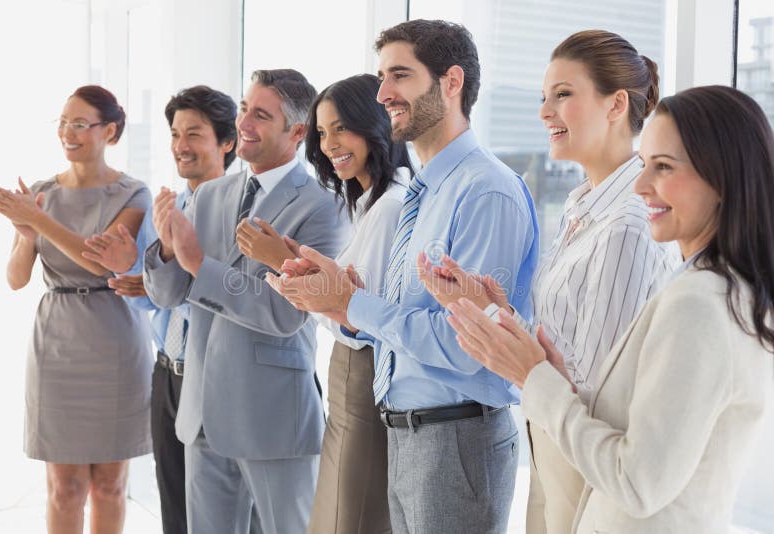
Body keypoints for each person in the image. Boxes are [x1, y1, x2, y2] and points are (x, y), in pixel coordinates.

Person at [446, 85, 774, 533]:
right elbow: (646, 429)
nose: (641, 186)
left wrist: (534, 378)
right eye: (644, 165)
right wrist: (553, 378)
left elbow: (637, 482)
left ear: (723, 177)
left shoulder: (699, 303)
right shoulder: (724, 290)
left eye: (663, 167)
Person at [268, 20, 539, 533]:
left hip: (455, 438)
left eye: (400, 76)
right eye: (381, 77)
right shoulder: (425, 193)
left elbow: (467, 346)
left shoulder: (485, 191)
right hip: (408, 435)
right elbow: (404, 323)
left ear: (451, 82)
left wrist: (350, 303)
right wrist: (333, 297)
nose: (383, 93)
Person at [416, 30, 678, 534]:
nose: (543, 112)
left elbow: (596, 389)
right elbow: (568, 346)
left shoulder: (626, 224)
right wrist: (493, 310)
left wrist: (503, 340)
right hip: (550, 442)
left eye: (563, 94)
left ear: (615, 104)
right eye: (543, 97)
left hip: (586, 461)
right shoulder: (582, 206)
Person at [142, 69, 349, 534]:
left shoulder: (322, 207)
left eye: (261, 114)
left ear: (297, 132)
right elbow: (168, 294)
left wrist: (200, 264)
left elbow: (286, 313)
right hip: (200, 415)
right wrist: (169, 250)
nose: (245, 123)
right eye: (243, 108)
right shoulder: (210, 194)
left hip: (271, 417)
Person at [238, 73, 412, 534]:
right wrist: (297, 264)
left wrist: (286, 266)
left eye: (341, 128)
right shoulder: (367, 204)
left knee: (347, 522)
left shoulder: (390, 206)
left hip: (361, 381)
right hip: (348, 385)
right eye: (321, 132)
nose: (329, 143)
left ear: (374, 126)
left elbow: (359, 317)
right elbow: (349, 299)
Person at [0, 85, 152, 534]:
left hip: (115, 340)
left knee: (110, 486)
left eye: (80, 124)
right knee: (65, 487)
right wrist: (25, 234)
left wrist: (38, 221)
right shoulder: (40, 193)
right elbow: (16, 279)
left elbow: (99, 260)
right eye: (63, 122)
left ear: (110, 131)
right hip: (56, 345)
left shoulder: (133, 194)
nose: (68, 132)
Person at [81, 85, 239, 534]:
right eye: (174, 134)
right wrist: (132, 270)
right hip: (166, 371)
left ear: (226, 143)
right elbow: (161, 296)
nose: (180, 145)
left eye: (194, 134)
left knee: (216, 510)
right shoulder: (172, 204)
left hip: (211, 376)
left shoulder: (237, 212)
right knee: (174, 503)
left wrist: (159, 282)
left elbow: (228, 296)